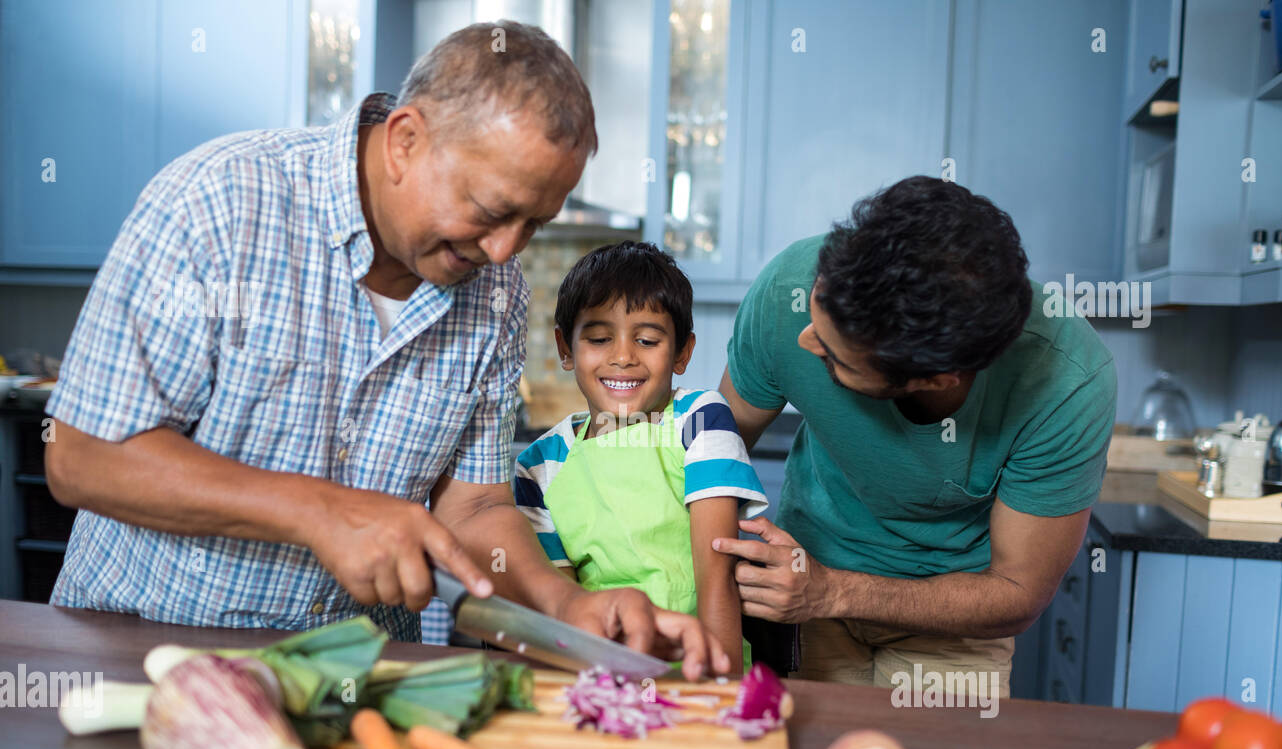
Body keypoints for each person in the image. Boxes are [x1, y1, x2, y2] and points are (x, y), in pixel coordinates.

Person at [43, 21, 727, 679]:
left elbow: (477, 508)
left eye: (534, 225)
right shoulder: (219, 204)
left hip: (355, 683)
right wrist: (320, 510)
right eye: (492, 210)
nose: (504, 251)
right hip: (146, 659)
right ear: (405, 141)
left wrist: (564, 605)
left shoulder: (496, 292)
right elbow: (81, 457)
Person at [713, 176, 1118, 694]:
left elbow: (1018, 591)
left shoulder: (1067, 383)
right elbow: (713, 460)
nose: (804, 340)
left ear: (934, 378)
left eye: (835, 356)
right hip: (804, 583)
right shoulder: (788, 290)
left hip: (954, 616)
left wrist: (834, 591)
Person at [514, 242, 768, 674]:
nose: (623, 357)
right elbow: (564, 606)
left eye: (647, 339)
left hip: (703, 668)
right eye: (598, 338)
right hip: (600, 674)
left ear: (682, 352)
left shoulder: (701, 420)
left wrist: (718, 693)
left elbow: (717, 580)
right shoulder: (538, 466)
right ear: (566, 347)